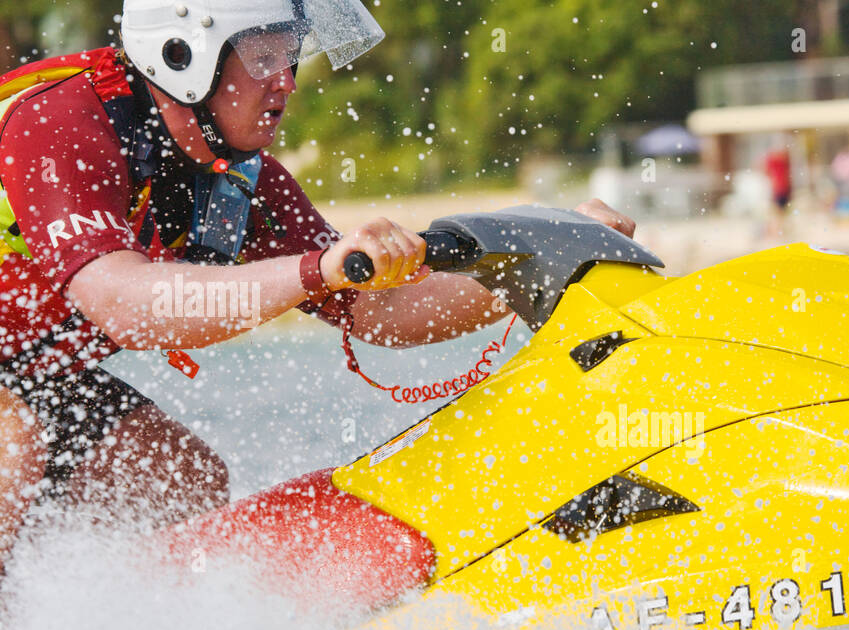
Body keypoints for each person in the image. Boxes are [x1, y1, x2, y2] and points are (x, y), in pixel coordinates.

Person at [0, 0, 635, 576]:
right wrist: (313, 271)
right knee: (15, 437)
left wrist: (544, 251)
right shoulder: (59, 122)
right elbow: (122, 302)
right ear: (182, 54)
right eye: (262, 56)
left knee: (179, 480)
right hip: (14, 390)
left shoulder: (244, 183)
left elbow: (382, 310)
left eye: (290, 54)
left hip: (24, 369)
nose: (287, 81)